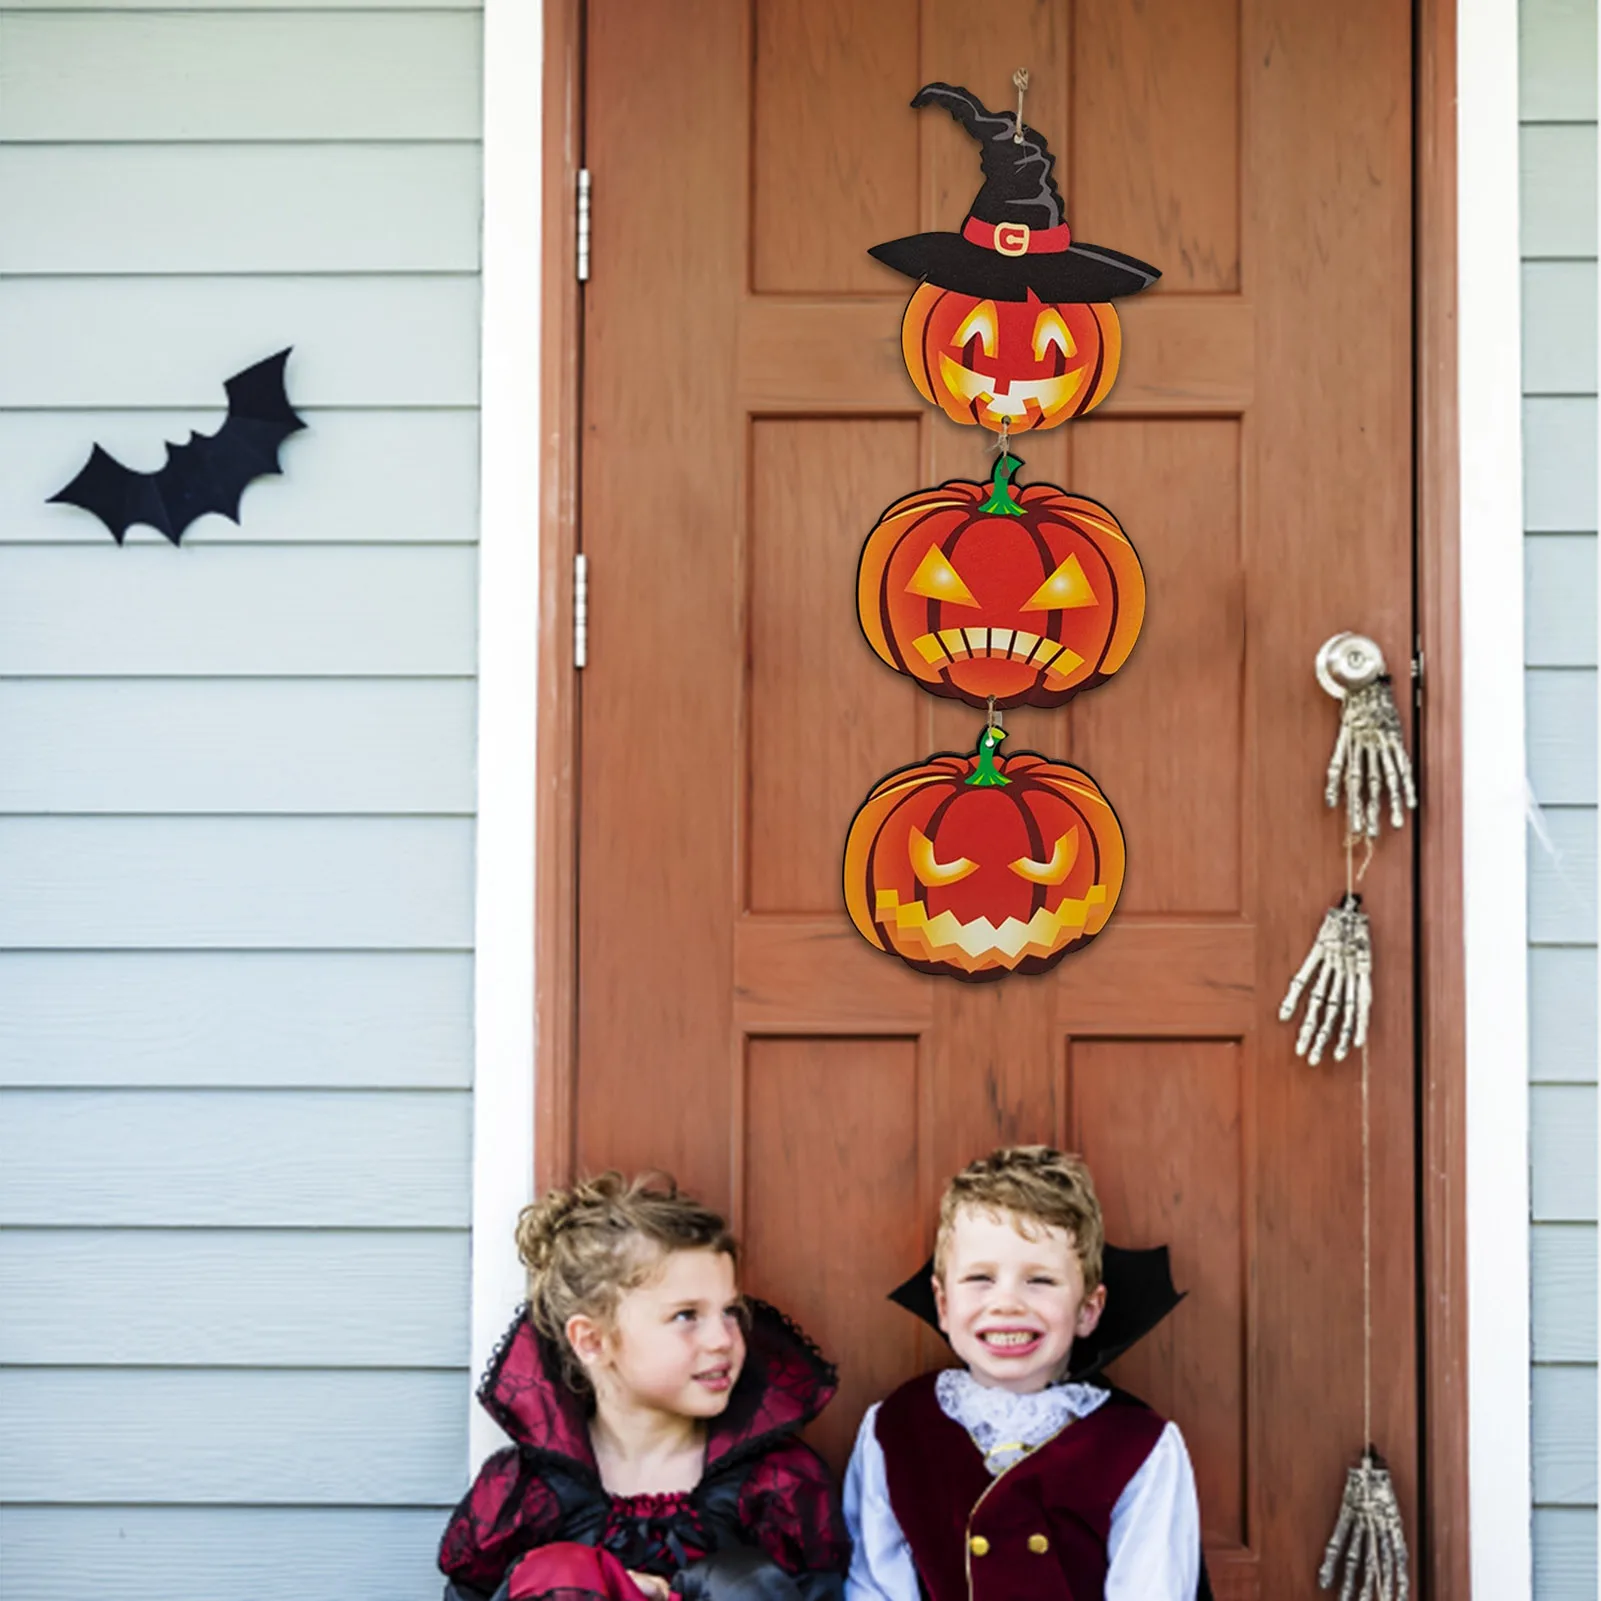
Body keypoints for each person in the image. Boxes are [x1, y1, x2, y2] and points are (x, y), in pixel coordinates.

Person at [440, 1172, 851, 1601]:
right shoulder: (530, 1491)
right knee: (560, 1572)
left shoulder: (774, 1483)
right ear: (592, 1341)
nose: (723, 1339)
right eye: (686, 1316)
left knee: (737, 1585)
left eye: (730, 1311)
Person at [843, 1146, 1202, 1601]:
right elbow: (876, 1586)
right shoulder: (894, 1429)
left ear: (1088, 1309)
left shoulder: (1141, 1447)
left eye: (1040, 1280)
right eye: (980, 1278)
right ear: (943, 1305)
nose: (1007, 1303)